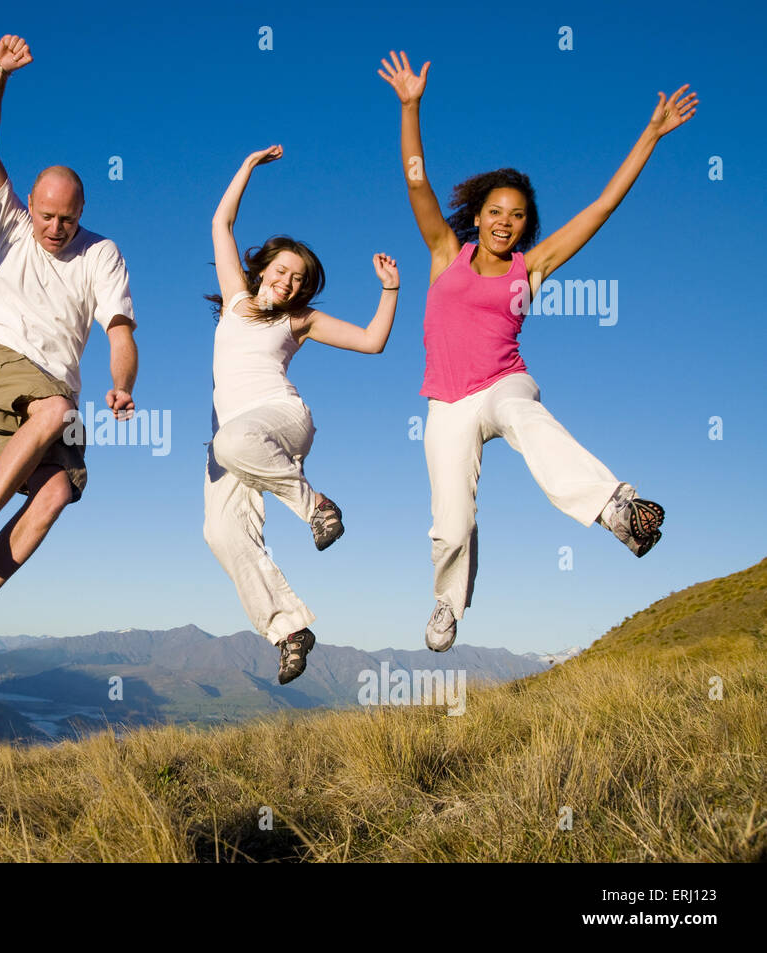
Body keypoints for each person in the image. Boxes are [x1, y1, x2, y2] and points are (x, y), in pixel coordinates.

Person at [378, 50, 696, 652]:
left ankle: (616, 508)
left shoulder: (534, 265)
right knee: (451, 525)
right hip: (447, 403)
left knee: (525, 416)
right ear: (478, 216)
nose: (505, 222)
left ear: (526, 226)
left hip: (504, 383)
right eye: (495, 212)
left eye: (517, 216)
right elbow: (417, 180)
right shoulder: (446, 253)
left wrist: (650, 135)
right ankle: (448, 603)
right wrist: (411, 106)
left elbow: (602, 206)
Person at [0, 34, 138, 663]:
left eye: (67, 219)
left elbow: (120, 330)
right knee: (51, 409)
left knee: (58, 492)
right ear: (33, 206)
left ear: (82, 211)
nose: (54, 229)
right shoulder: (12, 226)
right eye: (46, 216)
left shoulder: (102, 254)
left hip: (54, 392)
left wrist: (123, 383)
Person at [204, 146, 399, 684]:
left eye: (298, 278)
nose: (287, 282)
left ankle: (318, 506)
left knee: (232, 442)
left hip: (280, 419)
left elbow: (372, 341)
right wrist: (245, 167)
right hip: (233, 439)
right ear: (263, 269)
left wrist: (390, 290)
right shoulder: (236, 301)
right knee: (221, 533)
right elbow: (221, 222)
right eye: (281, 271)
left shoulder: (300, 321)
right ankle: (289, 629)